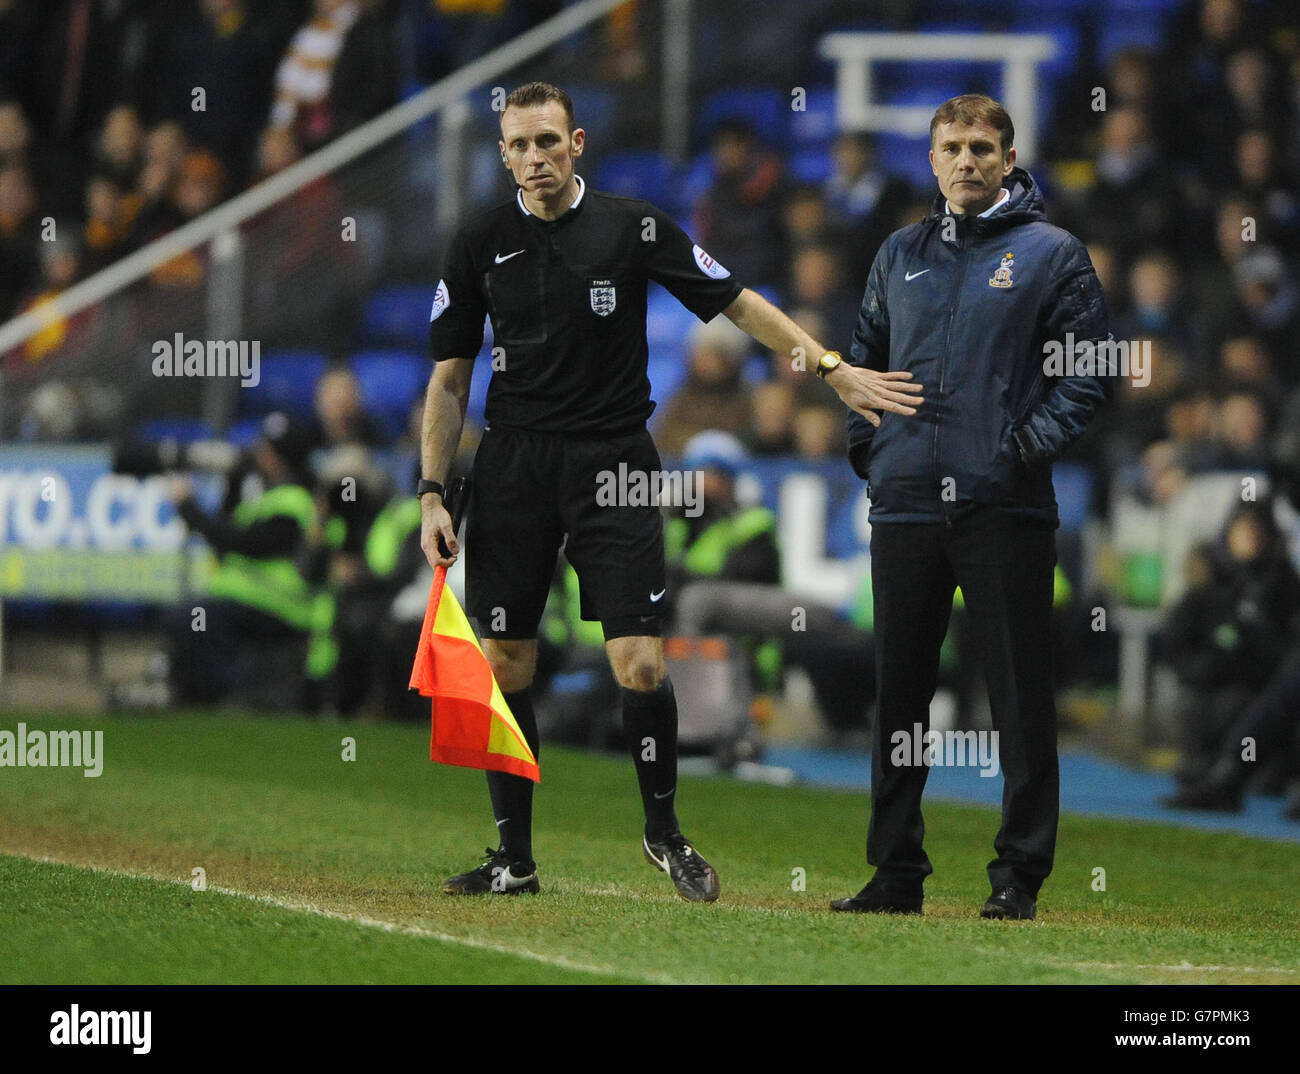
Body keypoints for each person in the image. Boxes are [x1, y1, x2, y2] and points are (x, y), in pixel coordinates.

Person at [420, 82, 922, 902]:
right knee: (506, 661)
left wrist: (829, 369)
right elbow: (447, 381)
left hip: (612, 465)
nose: (534, 158)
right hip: (511, 468)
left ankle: (664, 835)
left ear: (577, 142)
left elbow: (736, 303)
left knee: (643, 664)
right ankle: (514, 857)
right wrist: (433, 491)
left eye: (548, 141)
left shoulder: (633, 228)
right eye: (519, 145)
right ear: (503, 151)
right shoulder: (478, 239)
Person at [832, 94, 1111, 921]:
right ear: (931, 159)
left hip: (1004, 509)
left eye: (982, 148)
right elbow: (860, 364)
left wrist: (1015, 453)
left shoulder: (1053, 254)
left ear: (1008, 158)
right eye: (951, 146)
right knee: (899, 697)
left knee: (1018, 698)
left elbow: (1088, 373)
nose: (966, 161)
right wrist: (870, 449)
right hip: (907, 503)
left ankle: (1019, 877)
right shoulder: (898, 253)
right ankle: (895, 875)